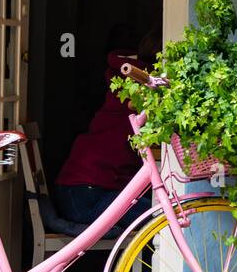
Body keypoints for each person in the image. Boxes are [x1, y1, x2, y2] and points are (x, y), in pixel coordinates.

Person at [53, 26, 158, 232]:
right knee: (159, 215)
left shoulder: (129, 78)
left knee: (157, 212)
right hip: (87, 194)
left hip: (81, 190)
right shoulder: (140, 84)